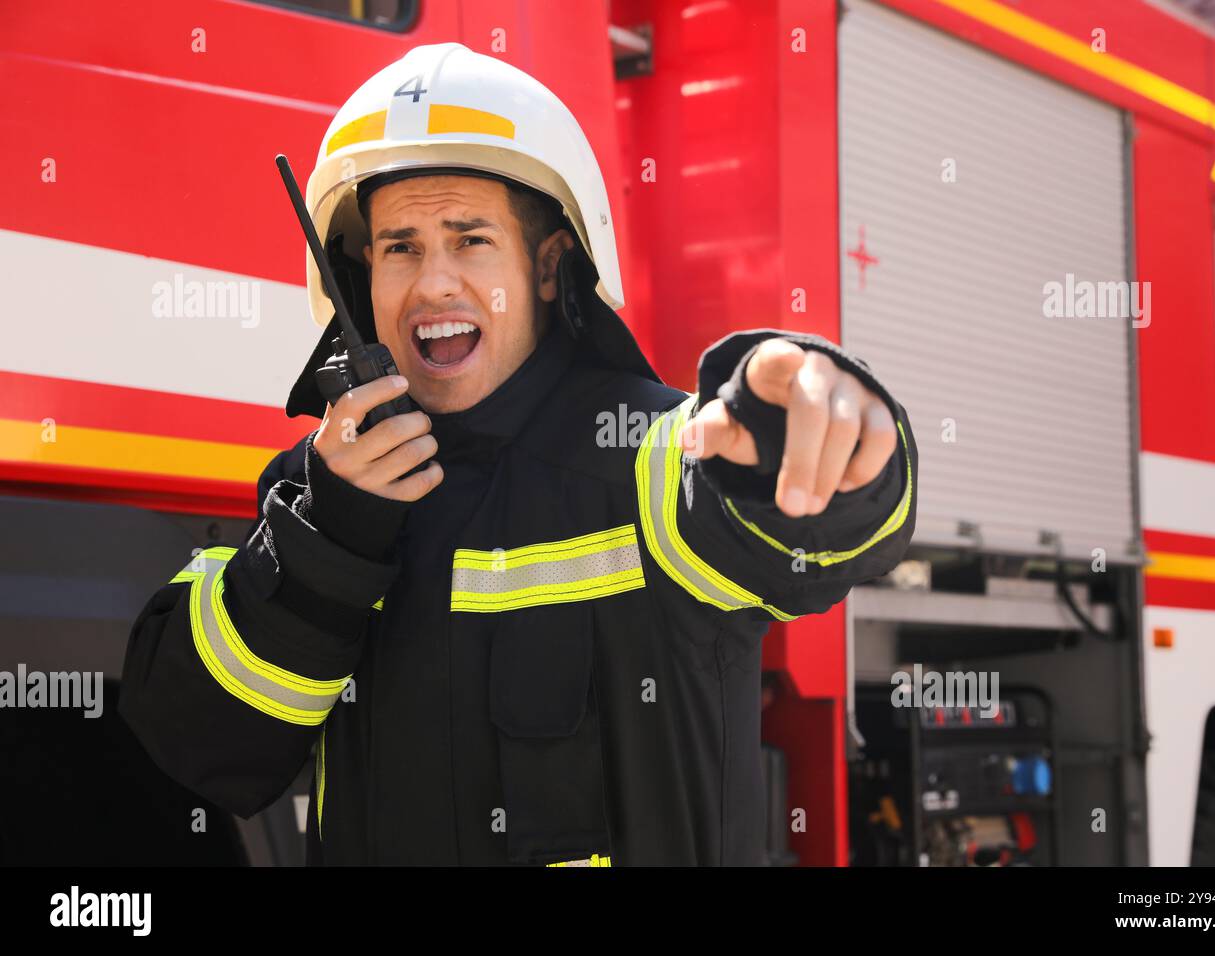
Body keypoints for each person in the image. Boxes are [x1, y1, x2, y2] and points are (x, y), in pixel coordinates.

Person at [119, 43, 918, 865]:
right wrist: (329, 546)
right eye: (400, 246)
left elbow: (800, 534)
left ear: (546, 268)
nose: (431, 285)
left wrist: (827, 440)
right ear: (361, 277)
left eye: (469, 240)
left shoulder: (641, 456)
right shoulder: (317, 490)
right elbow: (203, 747)